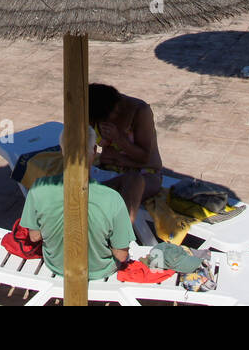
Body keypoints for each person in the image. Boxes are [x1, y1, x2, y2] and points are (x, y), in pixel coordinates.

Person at [21, 127, 135, 281]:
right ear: (94, 151)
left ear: (62, 150)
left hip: (57, 266)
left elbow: (34, 236)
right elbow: (121, 255)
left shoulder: (38, 188)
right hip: (99, 271)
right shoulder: (113, 198)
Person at [89, 83, 162, 222]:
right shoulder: (96, 113)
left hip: (144, 173)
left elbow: (145, 158)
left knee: (130, 185)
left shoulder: (140, 111)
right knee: (82, 191)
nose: (113, 118)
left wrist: (119, 139)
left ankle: (121, 232)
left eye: (114, 114)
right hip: (110, 171)